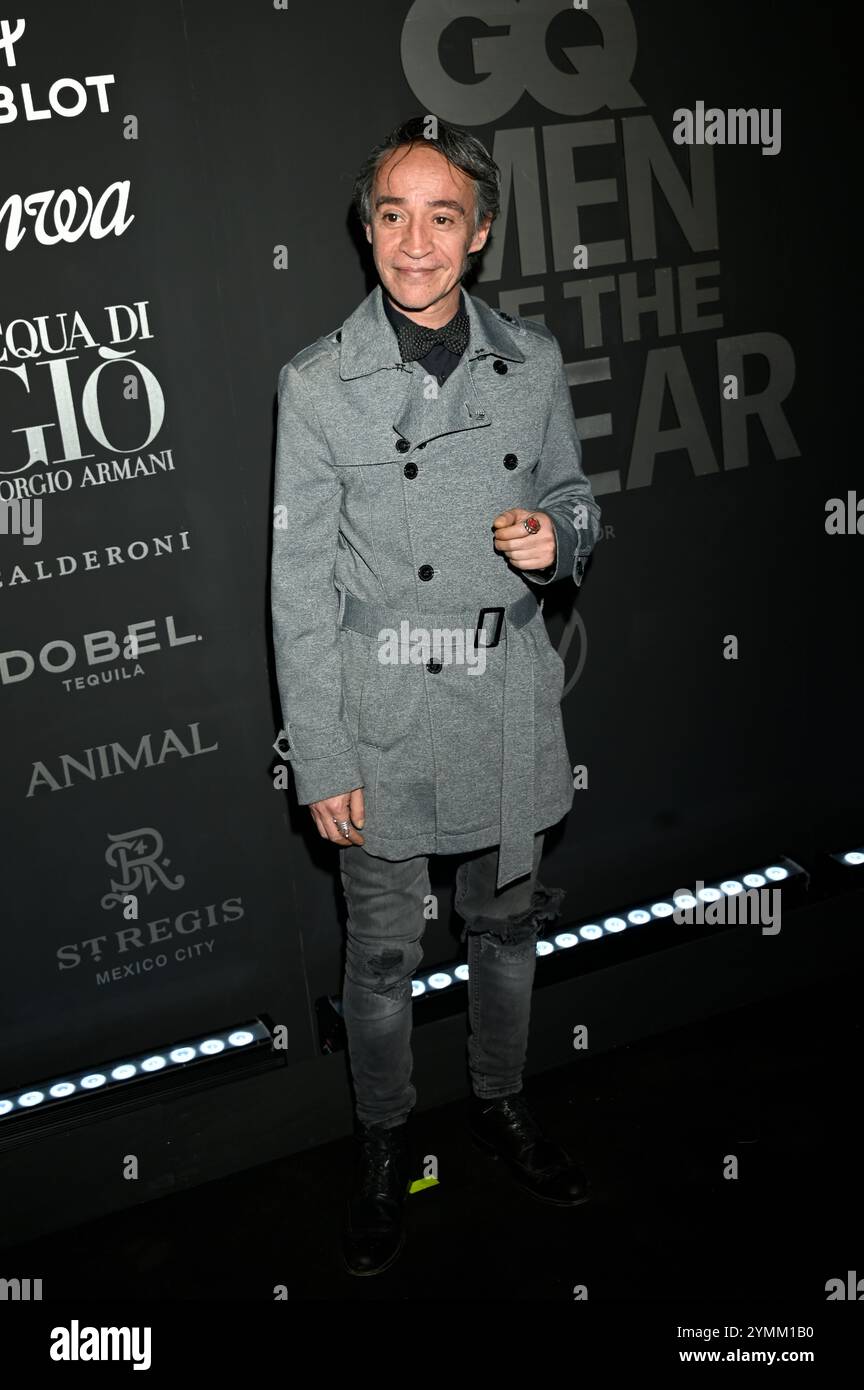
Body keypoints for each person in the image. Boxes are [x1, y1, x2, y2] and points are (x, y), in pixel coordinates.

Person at [271, 115, 601, 1276]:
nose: (416, 240)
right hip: (383, 710)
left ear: (482, 233)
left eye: (442, 214)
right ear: (368, 234)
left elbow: (577, 498)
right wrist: (323, 758)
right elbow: (298, 591)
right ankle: (384, 1144)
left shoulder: (536, 362)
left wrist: (554, 537)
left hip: (503, 695)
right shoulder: (317, 385)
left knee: (506, 931)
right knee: (379, 960)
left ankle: (503, 1104)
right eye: (394, 215)